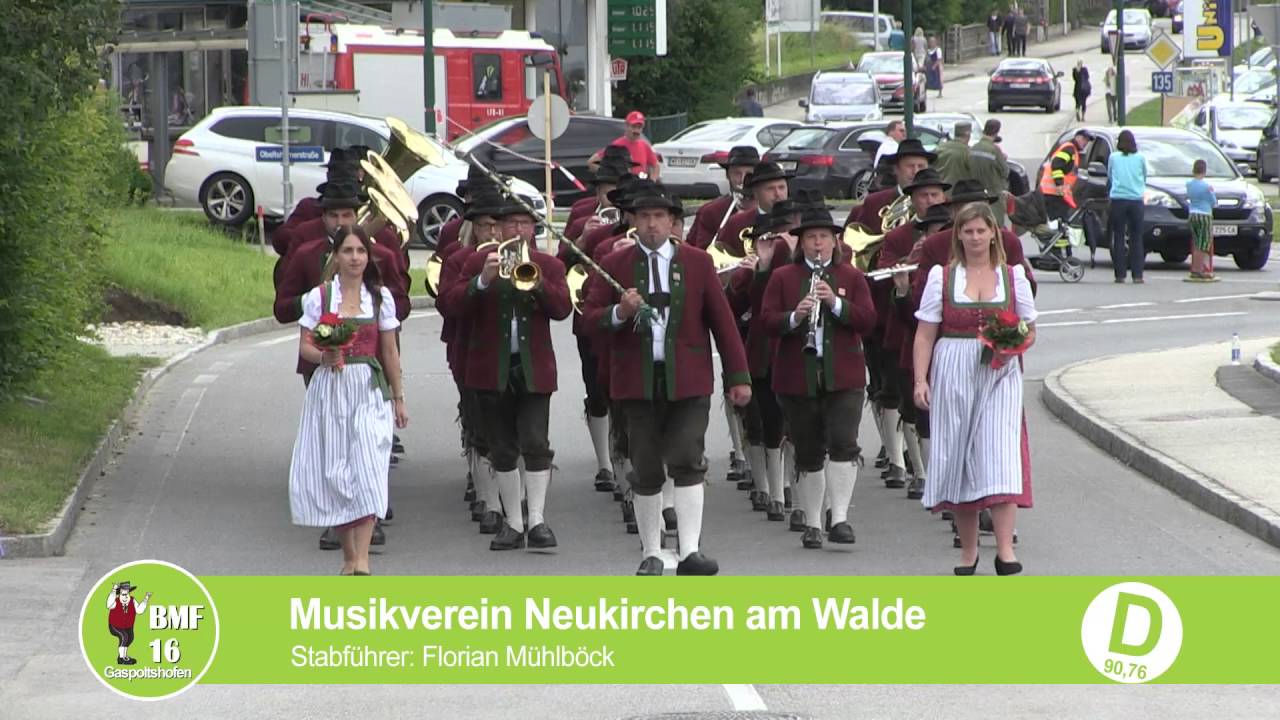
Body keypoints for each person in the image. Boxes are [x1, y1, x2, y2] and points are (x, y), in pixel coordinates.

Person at [583, 181, 753, 576]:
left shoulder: (697, 263)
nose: (653, 225)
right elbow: (589, 320)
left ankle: (691, 550)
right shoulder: (614, 265)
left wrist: (738, 376)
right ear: (633, 221)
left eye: (660, 217)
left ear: (673, 223)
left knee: (687, 458)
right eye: (644, 217)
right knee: (645, 467)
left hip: (688, 379)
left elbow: (723, 324)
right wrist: (620, 313)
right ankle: (653, 551)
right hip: (635, 381)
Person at [912, 202, 1037, 576]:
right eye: (968, 231)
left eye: (982, 230)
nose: (975, 237)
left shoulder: (1012, 276)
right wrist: (921, 379)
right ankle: (968, 552)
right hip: (954, 366)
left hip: (1000, 371)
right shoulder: (942, 276)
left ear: (993, 234)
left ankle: (1004, 550)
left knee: (1000, 454)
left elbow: (1030, 328)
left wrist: (1012, 345)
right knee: (958, 455)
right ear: (959, 236)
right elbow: (924, 333)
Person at [290, 226, 409, 576]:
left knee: (370, 467)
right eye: (348, 251)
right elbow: (305, 345)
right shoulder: (320, 297)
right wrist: (323, 357)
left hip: (369, 388)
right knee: (338, 472)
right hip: (333, 388)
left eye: (360, 251)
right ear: (336, 256)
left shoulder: (380, 298)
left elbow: (389, 351)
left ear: (368, 257)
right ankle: (348, 556)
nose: (355, 258)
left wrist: (399, 398)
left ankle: (363, 559)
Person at [456, 197, 572, 551]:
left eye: (525, 224)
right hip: (492, 367)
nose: (518, 230)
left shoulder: (548, 265)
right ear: (501, 228)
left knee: (536, 444)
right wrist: (481, 280)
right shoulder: (477, 261)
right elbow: (451, 305)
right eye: (511, 225)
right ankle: (512, 522)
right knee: (501, 448)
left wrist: (537, 284)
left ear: (534, 229)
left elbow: (562, 309)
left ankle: (536, 519)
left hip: (534, 368)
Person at [762, 205, 877, 549]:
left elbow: (869, 320)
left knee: (844, 442)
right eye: (811, 238)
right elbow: (766, 321)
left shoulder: (851, 277)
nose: (817, 244)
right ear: (801, 243)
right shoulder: (783, 277)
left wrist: (836, 305)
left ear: (834, 241)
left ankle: (838, 517)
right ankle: (813, 522)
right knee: (808, 450)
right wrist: (794, 317)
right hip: (797, 376)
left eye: (823, 237)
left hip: (844, 375)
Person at [436, 188, 508, 534]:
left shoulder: (519, 256)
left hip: (510, 350)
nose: (493, 234)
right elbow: (447, 304)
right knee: (479, 423)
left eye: (498, 226)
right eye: (485, 226)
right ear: (473, 229)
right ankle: (485, 496)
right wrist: (480, 281)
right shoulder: (457, 258)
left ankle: (509, 494)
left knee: (511, 427)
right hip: (468, 347)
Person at [686, 145, 759, 249]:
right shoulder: (710, 212)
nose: (743, 180)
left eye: (749, 174)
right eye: (737, 173)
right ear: (728, 175)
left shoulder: (770, 208)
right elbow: (696, 253)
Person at [1107, 129, 1147, 284]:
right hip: (1136, 199)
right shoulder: (1140, 158)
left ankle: (1120, 274)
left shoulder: (1114, 157)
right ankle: (1137, 274)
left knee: (1118, 236)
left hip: (1118, 199)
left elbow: (1110, 175)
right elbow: (1144, 175)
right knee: (1137, 237)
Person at [588, 111, 661, 180]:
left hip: (640, 188)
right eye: (634, 127)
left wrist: (651, 183)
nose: (636, 131)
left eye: (639, 127)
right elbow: (591, 163)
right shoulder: (617, 145)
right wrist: (610, 175)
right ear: (627, 126)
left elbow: (656, 166)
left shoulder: (644, 146)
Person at [1039, 130, 1091, 225]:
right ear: (1077, 137)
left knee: (1059, 224)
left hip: (1056, 194)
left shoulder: (1072, 150)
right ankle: (1059, 240)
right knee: (1059, 225)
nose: (1085, 143)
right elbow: (1056, 165)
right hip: (1054, 194)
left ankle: (1059, 239)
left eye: (1087, 141)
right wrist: (1059, 184)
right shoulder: (1069, 149)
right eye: (1084, 139)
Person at [970, 120, 1010, 226]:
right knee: (995, 225)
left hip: (976, 193)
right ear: (997, 132)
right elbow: (1005, 172)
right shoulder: (994, 149)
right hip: (994, 194)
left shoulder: (973, 148)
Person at [1185, 159, 1218, 281]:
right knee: (1203, 244)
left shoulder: (1189, 184)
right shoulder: (1207, 186)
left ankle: (1195, 267)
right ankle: (1198, 270)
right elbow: (1213, 201)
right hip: (1204, 214)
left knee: (1196, 241)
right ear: (1204, 171)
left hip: (1192, 213)